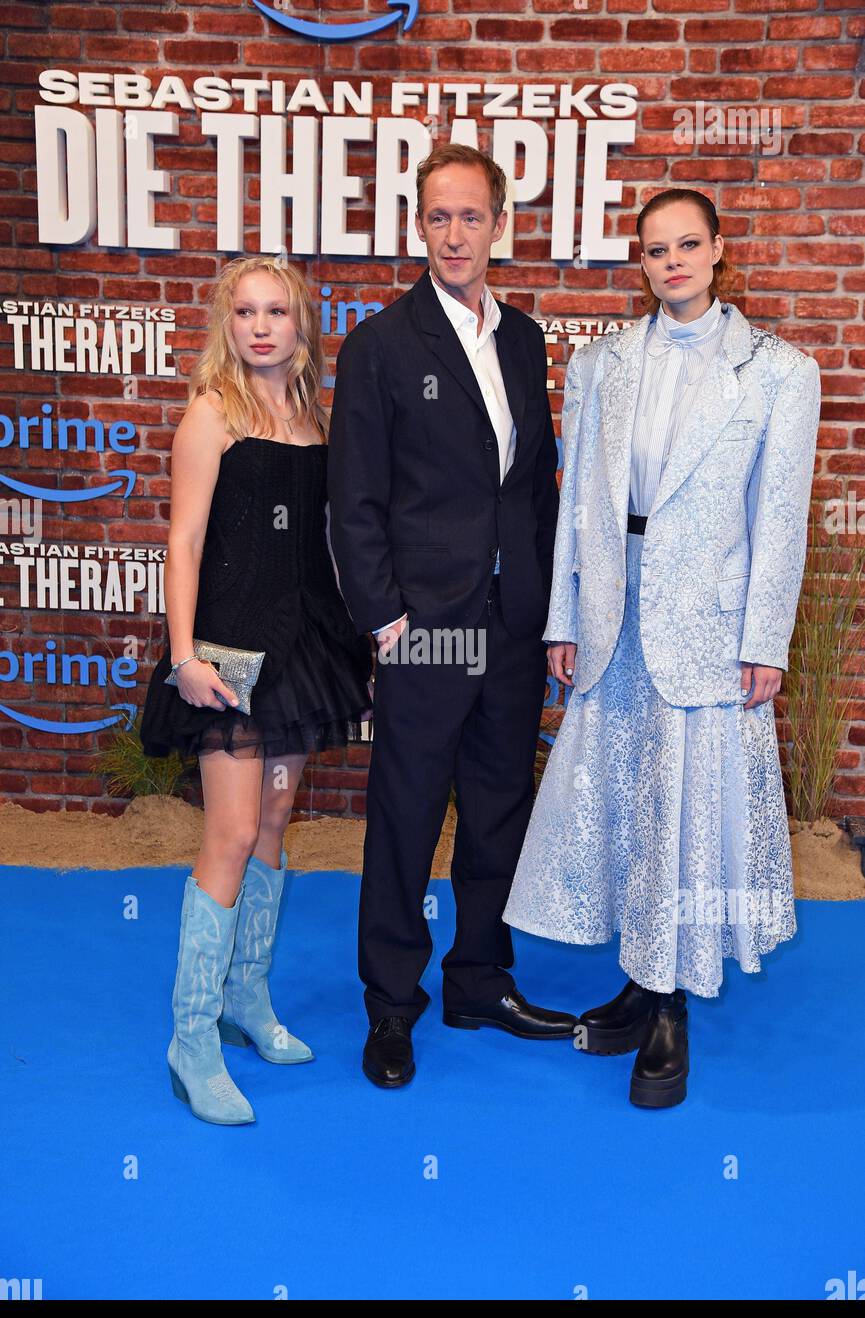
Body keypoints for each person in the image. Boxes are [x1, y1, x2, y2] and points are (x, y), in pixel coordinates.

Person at [503, 188, 822, 1109]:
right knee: (632, 807)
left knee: (684, 809)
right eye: (654, 249)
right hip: (614, 611)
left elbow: (780, 520)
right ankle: (641, 978)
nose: (671, 261)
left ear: (717, 251)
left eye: (688, 245)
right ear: (638, 261)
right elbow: (576, 504)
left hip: (709, 628)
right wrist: (564, 614)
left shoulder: (776, 372)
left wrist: (764, 638)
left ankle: (670, 1008)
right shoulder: (602, 364)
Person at [328, 144, 578, 1090]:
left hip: (511, 621)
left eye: (471, 216)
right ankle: (391, 1004)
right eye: (438, 216)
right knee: (403, 814)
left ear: (498, 226)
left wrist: (554, 607)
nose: (454, 234)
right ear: (417, 226)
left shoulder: (522, 338)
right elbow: (354, 499)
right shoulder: (381, 345)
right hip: (425, 626)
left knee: (498, 811)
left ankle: (479, 977)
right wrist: (385, 618)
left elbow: (535, 488)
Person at [139, 254, 373, 1125]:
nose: (262, 326)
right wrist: (182, 656)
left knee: (274, 825)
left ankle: (246, 1000)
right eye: (246, 313)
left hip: (303, 650)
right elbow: (184, 542)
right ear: (225, 324)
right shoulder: (212, 413)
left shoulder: (314, 418)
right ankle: (190, 1039)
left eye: (278, 311)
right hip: (227, 657)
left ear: (301, 325)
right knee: (232, 833)